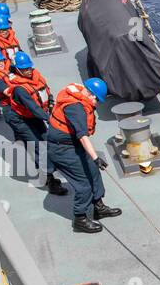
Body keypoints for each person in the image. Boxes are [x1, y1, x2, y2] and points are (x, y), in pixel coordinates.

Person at [47, 78, 120, 233]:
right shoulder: (75, 108)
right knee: (83, 183)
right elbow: (82, 135)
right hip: (63, 150)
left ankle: (98, 207)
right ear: (90, 94)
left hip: (73, 144)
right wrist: (95, 157)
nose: (95, 103)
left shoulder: (79, 92)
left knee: (93, 173)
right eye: (96, 99)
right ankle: (80, 218)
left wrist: (93, 162)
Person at [2, 51, 66, 196]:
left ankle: (46, 167)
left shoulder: (37, 78)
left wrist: (50, 104)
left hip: (34, 115)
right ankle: (50, 180)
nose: (28, 71)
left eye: (29, 68)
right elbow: (33, 108)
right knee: (37, 145)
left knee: (45, 139)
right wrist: (53, 119)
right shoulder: (20, 89)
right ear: (17, 70)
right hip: (21, 119)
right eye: (24, 69)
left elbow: (46, 93)